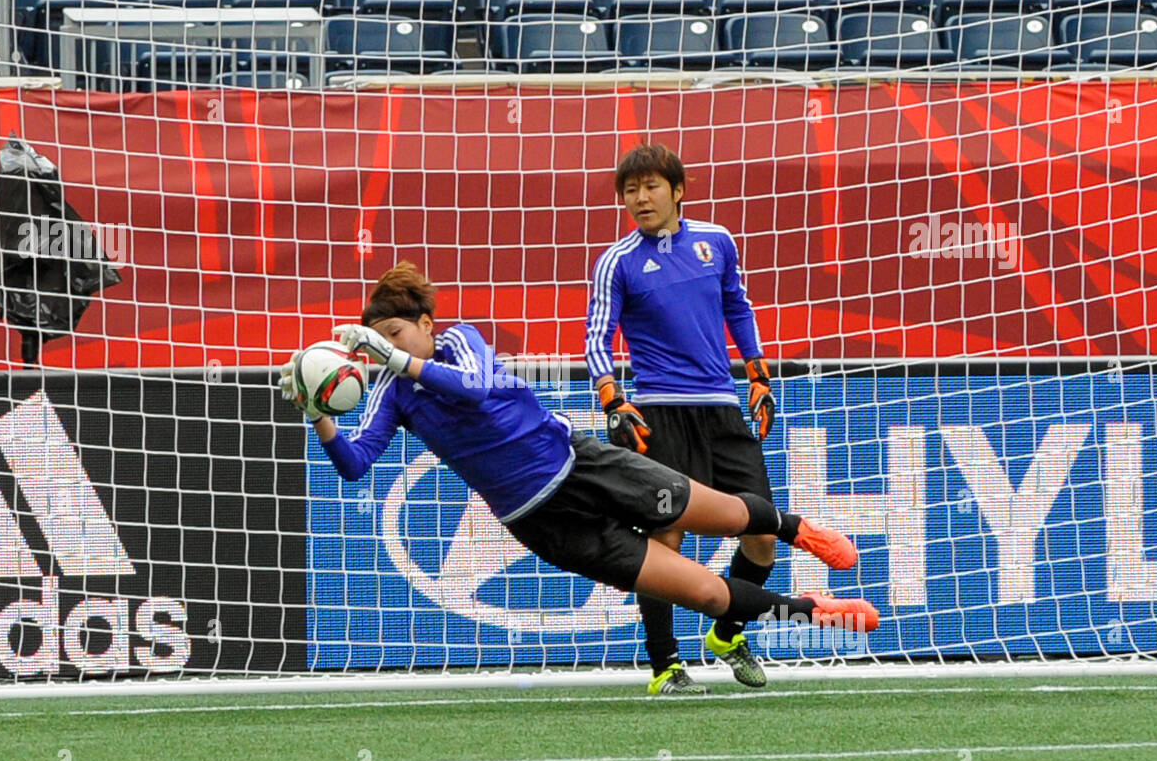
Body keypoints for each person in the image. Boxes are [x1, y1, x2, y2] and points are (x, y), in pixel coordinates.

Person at [280, 263, 877, 679]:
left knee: (722, 514)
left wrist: (396, 358)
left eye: (396, 332)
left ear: (426, 326)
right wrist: (318, 416)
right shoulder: (392, 392)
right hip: (542, 523)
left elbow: (475, 388)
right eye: (379, 339)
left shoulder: (461, 342)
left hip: (582, 465)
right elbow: (355, 465)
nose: (386, 345)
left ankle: (801, 529)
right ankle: (811, 612)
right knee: (702, 591)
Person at [586, 142, 781, 695]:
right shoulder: (617, 261)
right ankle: (665, 666)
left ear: (678, 190)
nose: (640, 198)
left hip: (722, 410)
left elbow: (736, 306)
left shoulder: (716, 242)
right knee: (664, 544)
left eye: (650, 187)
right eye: (630, 190)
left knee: (762, 532)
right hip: (660, 415)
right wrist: (611, 397)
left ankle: (727, 631)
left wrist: (758, 375)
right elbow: (597, 338)